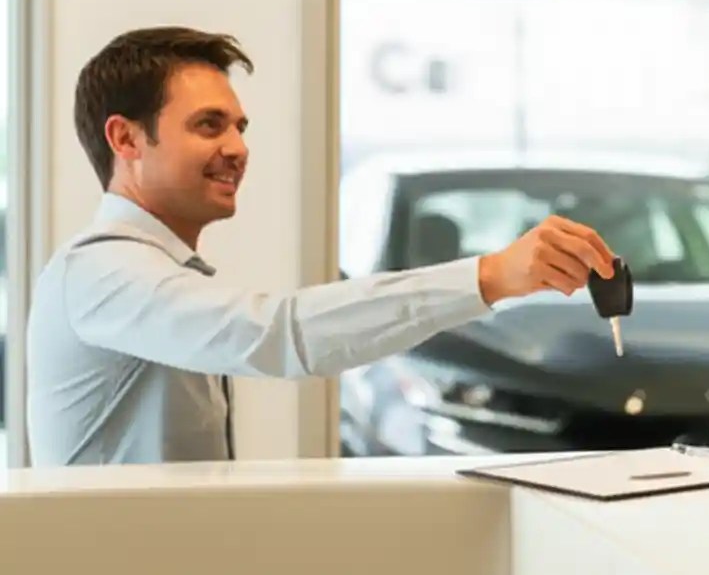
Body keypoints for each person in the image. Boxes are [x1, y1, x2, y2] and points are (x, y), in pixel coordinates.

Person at [26, 26, 617, 467]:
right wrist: (487, 277)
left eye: (239, 127)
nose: (238, 148)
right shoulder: (100, 270)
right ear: (125, 138)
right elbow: (278, 334)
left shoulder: (153, 270)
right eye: (209, 125)